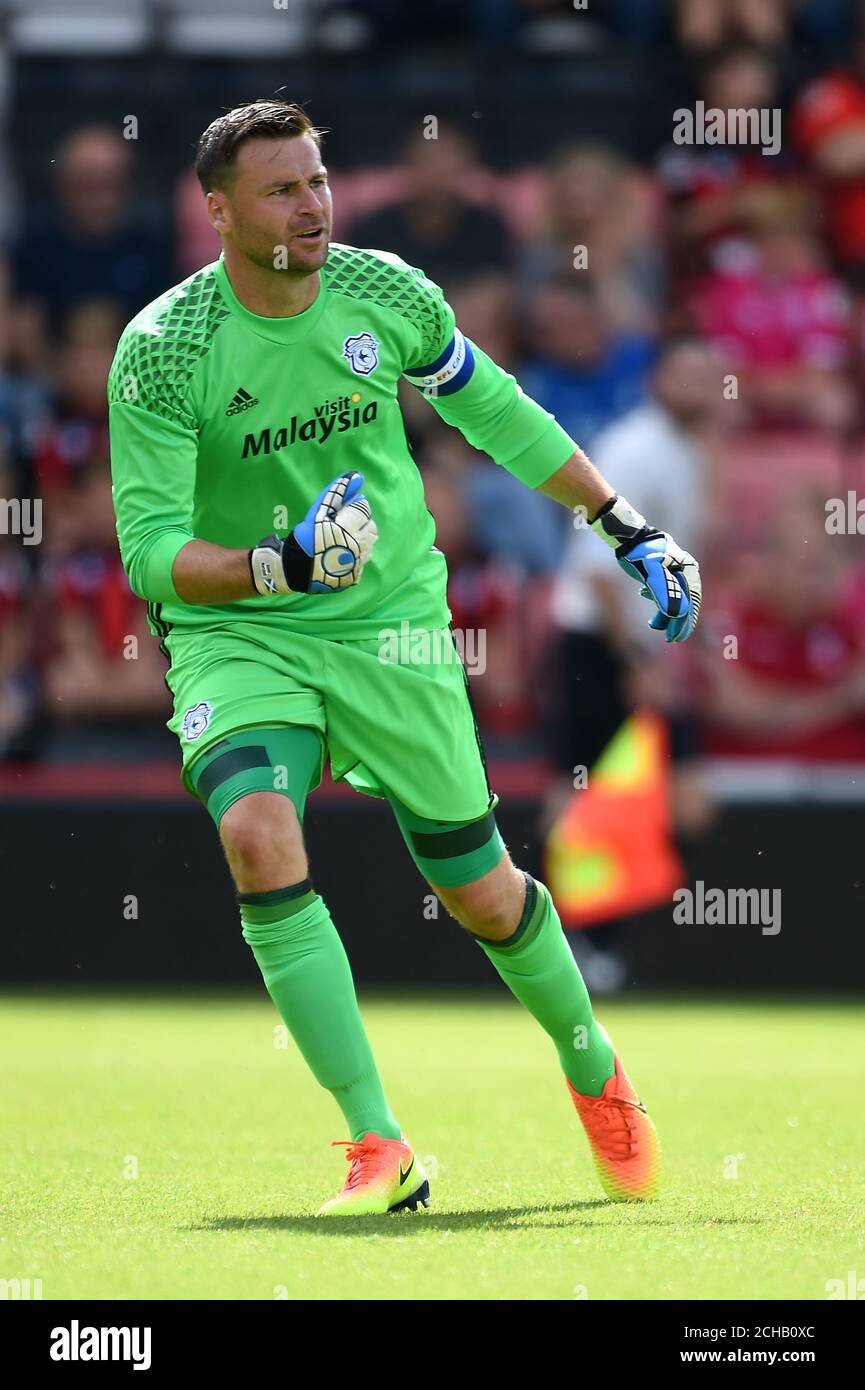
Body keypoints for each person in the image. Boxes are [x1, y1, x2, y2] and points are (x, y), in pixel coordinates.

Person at [108, 100, 700, 1217]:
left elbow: (501, 415)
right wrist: (277, 568)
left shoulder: (386, 292)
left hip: (391, 629)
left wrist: (623, 523)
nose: (312, 204)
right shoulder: (164, 347)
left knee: (477, 891)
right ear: (219, 209)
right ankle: (378, 1142)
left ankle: (593, 1070)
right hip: (246, 628)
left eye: (319, 180)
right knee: (254, 826)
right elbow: (148, 553)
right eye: (282, 189)